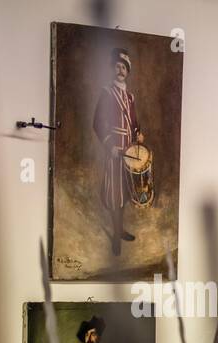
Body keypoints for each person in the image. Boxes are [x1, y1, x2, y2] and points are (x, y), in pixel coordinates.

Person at [92, 47, 143, 256]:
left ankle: (120, 229)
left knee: (126, 190)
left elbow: (134, 123)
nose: (121, 70)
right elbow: (97, 123)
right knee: (115, 193)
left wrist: (139, 134)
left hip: (129, 150)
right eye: (118, 66)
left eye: (124, 67)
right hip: (115, 149)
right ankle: (116, 234)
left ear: (127, 71)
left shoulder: (130, 97)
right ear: (113, 69)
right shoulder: (107, 92)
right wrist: (109, 145)